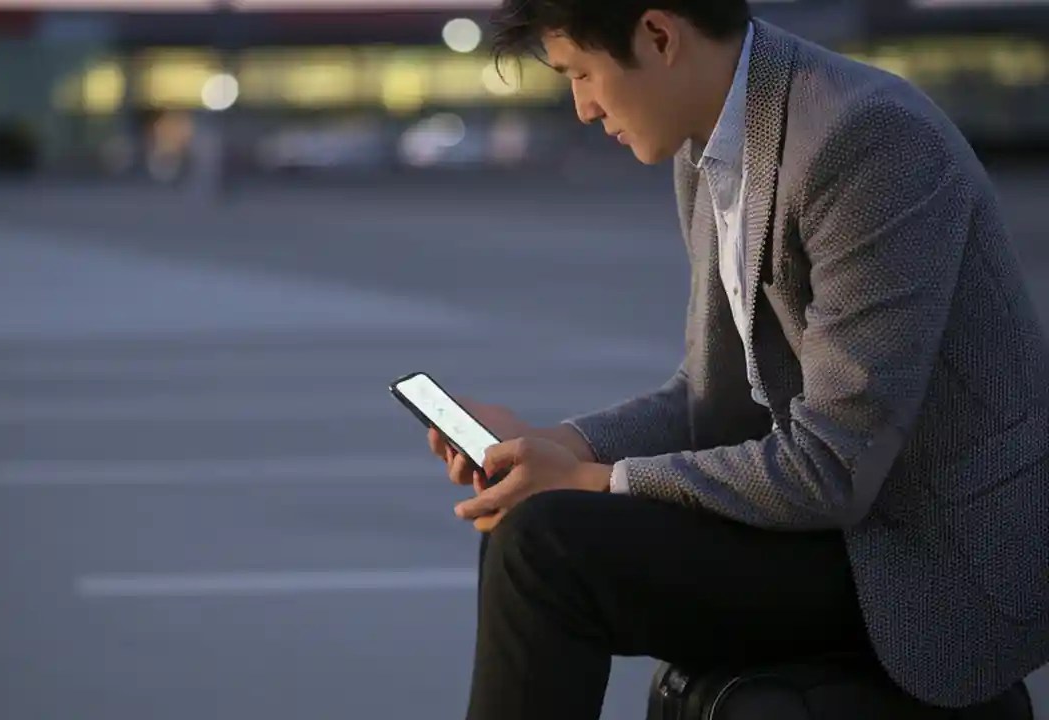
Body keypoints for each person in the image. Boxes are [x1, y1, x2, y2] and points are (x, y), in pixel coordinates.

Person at [424, 2, 1049, 719]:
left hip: (928, 564)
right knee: (530, 520)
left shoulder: (867, 138)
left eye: (583, 73)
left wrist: (597, 481)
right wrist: (560, 445)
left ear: (658, 35)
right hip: (844, 526)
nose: (585, 108)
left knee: (547, 547)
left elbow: (832, 468)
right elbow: (713, 397)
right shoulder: (714, 142)